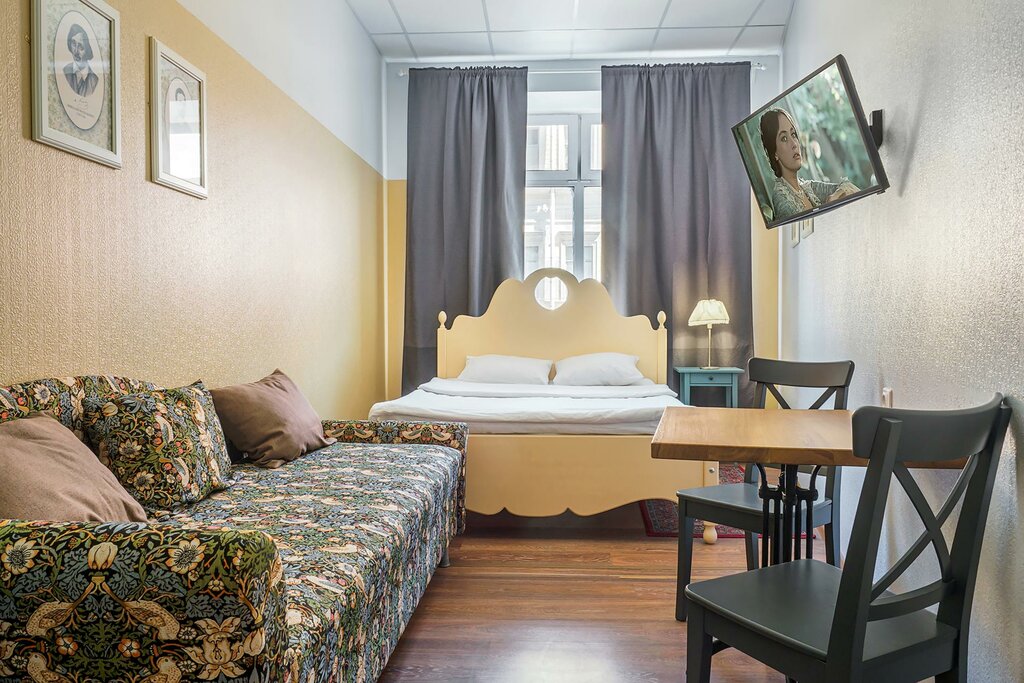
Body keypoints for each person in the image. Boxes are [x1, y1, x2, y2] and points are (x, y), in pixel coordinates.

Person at [759, 108, 858, 221]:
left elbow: (847, 187)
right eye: (784, 138)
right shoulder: (782, 199)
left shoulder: (806, 187)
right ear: (774, 153)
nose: (794, 144)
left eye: (793, 134)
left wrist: (833, 197)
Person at [63, 24, 98, 97]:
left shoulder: (95, 81)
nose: (75, 51)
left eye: (80, 46)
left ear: (87, 49)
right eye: (73, 44)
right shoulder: (64, 71)